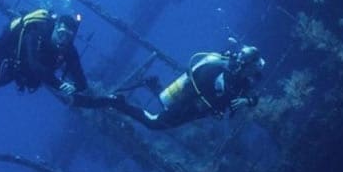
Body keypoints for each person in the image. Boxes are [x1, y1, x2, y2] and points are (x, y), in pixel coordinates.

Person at [78, 42, 264, 130]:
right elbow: (212, 93)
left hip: (198, 108)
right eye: (253, 68)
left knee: (164, 106)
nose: (254, 74)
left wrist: (248, 100)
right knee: (155, 123)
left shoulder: (242, 80)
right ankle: (117, 102)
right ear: (245, 65)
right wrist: (225, 104)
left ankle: (154, 85)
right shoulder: (222, 73)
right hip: (192, 102)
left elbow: (253, 94)